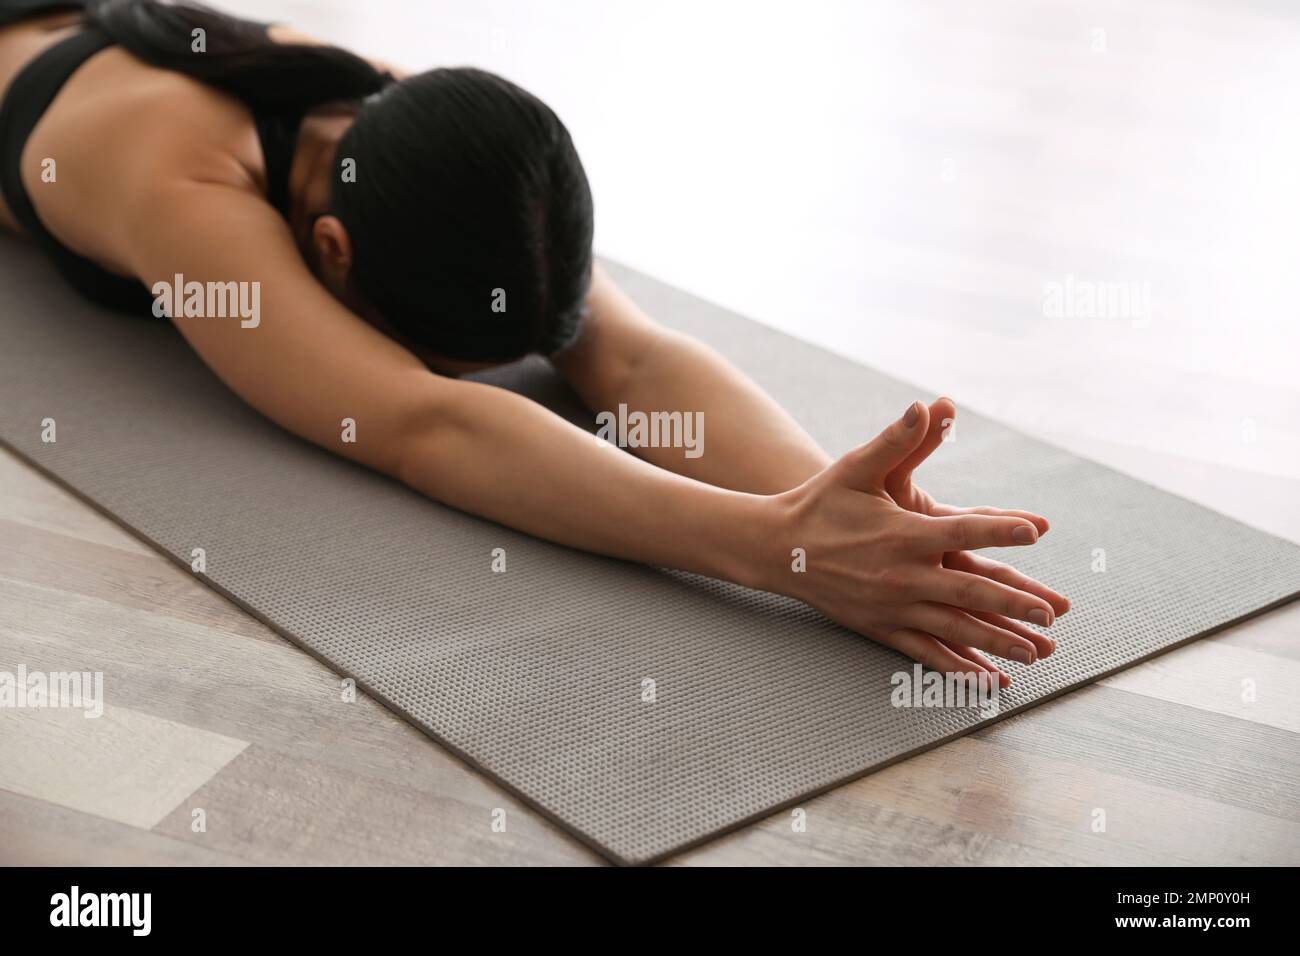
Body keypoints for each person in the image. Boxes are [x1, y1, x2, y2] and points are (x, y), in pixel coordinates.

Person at [0, 0, 1069, 684]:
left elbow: (632, 359)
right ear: (329, 252)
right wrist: (779, 549)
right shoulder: (178, 187)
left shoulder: (420, 126)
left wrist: (853, 513)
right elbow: (425, 422)